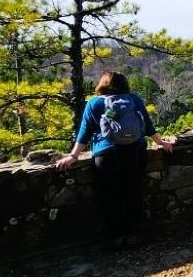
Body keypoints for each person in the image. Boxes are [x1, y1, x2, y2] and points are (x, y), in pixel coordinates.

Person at [56, 71, 173, 247]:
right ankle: (133, 235)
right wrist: (160, 142)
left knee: (110, 197)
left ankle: (116, 239)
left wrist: (73, 156)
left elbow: (85, 131)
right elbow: (147, 125)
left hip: (107, 154)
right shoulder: (133, 99)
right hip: (135, 151)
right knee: (132, 193)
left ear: (102, 84)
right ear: (124, 84)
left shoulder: (95, 103)